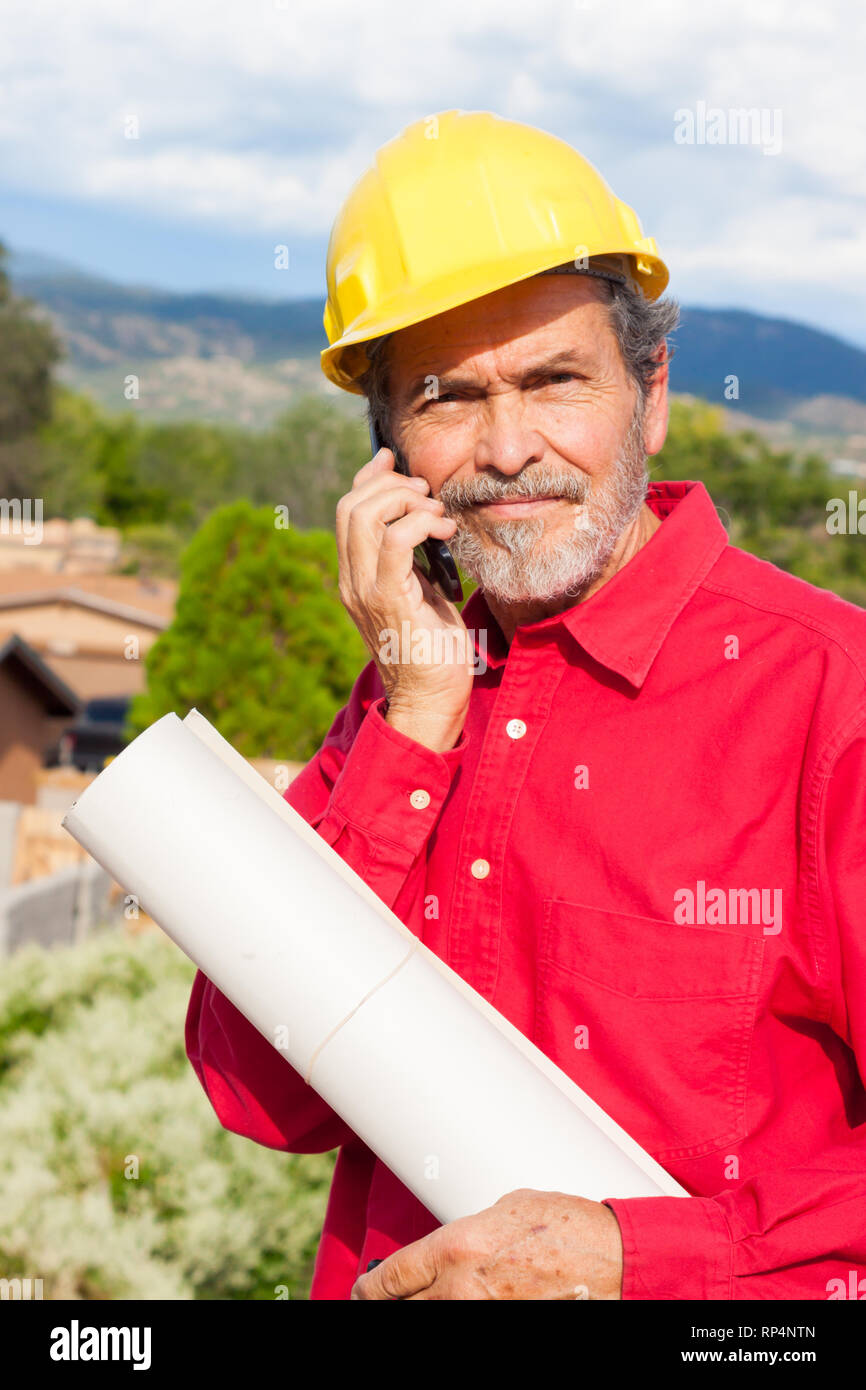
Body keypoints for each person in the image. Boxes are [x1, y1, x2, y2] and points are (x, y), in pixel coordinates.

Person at [186, 110, 866, 1300]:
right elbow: (258, 1091)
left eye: (555, 381)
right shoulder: (410, 687)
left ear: (649, 393)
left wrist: (636, 1258)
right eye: (447, 398)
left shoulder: (828, 699)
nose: (507, 449)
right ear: (389, 449)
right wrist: (411, 718)